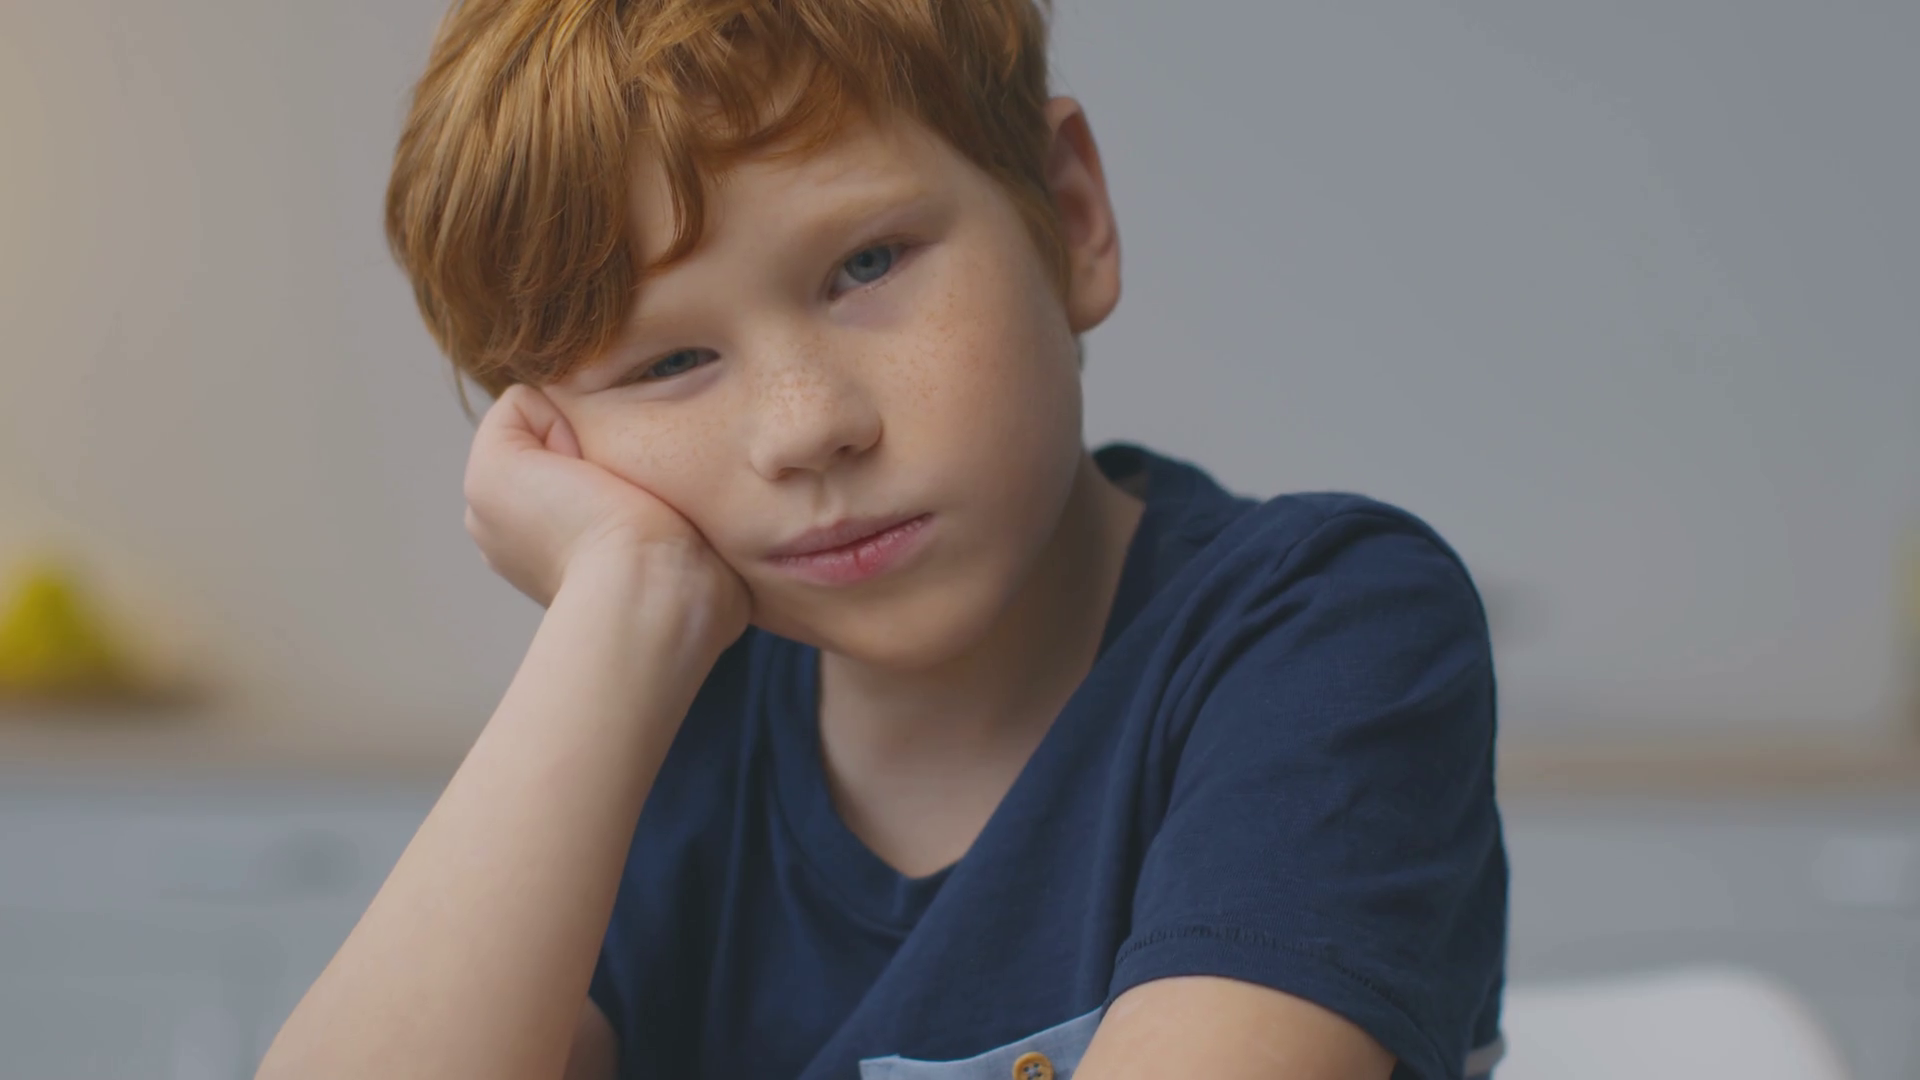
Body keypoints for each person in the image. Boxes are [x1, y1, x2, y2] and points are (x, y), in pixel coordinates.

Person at [256, 1, 1507, 1078]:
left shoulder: (1328, 631)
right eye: (670, 361)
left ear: (1069, 217)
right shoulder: (652, 722)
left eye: (866, 264)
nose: (807, 429)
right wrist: (622, 604)